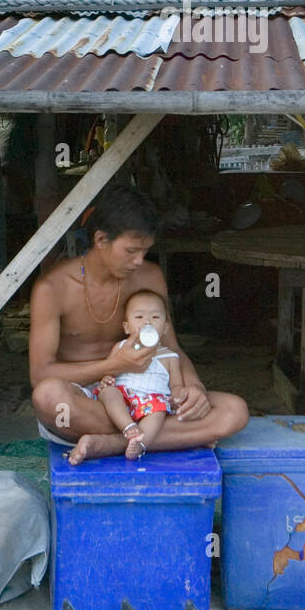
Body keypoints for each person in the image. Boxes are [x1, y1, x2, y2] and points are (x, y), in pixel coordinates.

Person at [29, 184, 249, 460]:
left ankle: (111, 444)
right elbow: (40, 374)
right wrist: (113, 366)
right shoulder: (52, 288)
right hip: (88, 399)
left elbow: (172, 348)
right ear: (101, 240)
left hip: (149, 396)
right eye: (131, 251)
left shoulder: (150, 276)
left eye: (145, 251)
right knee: (49, 398)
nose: (139, 261)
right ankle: (163, 438)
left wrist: (194, 387)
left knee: (234, 411)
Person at [87, 289, 183, 461]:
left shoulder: (170, 356)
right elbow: (108, 371)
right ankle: (129, 427)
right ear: (126, 326)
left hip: (151, 401)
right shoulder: (121, 348)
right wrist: (107, 379)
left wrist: (176, 395)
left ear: (166, 328)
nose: (147, 322)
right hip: (123, 396)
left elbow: (176, 385)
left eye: (155, 317)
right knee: (108, 392)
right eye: (139, 317)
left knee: (159, 411)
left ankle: (140, 443)